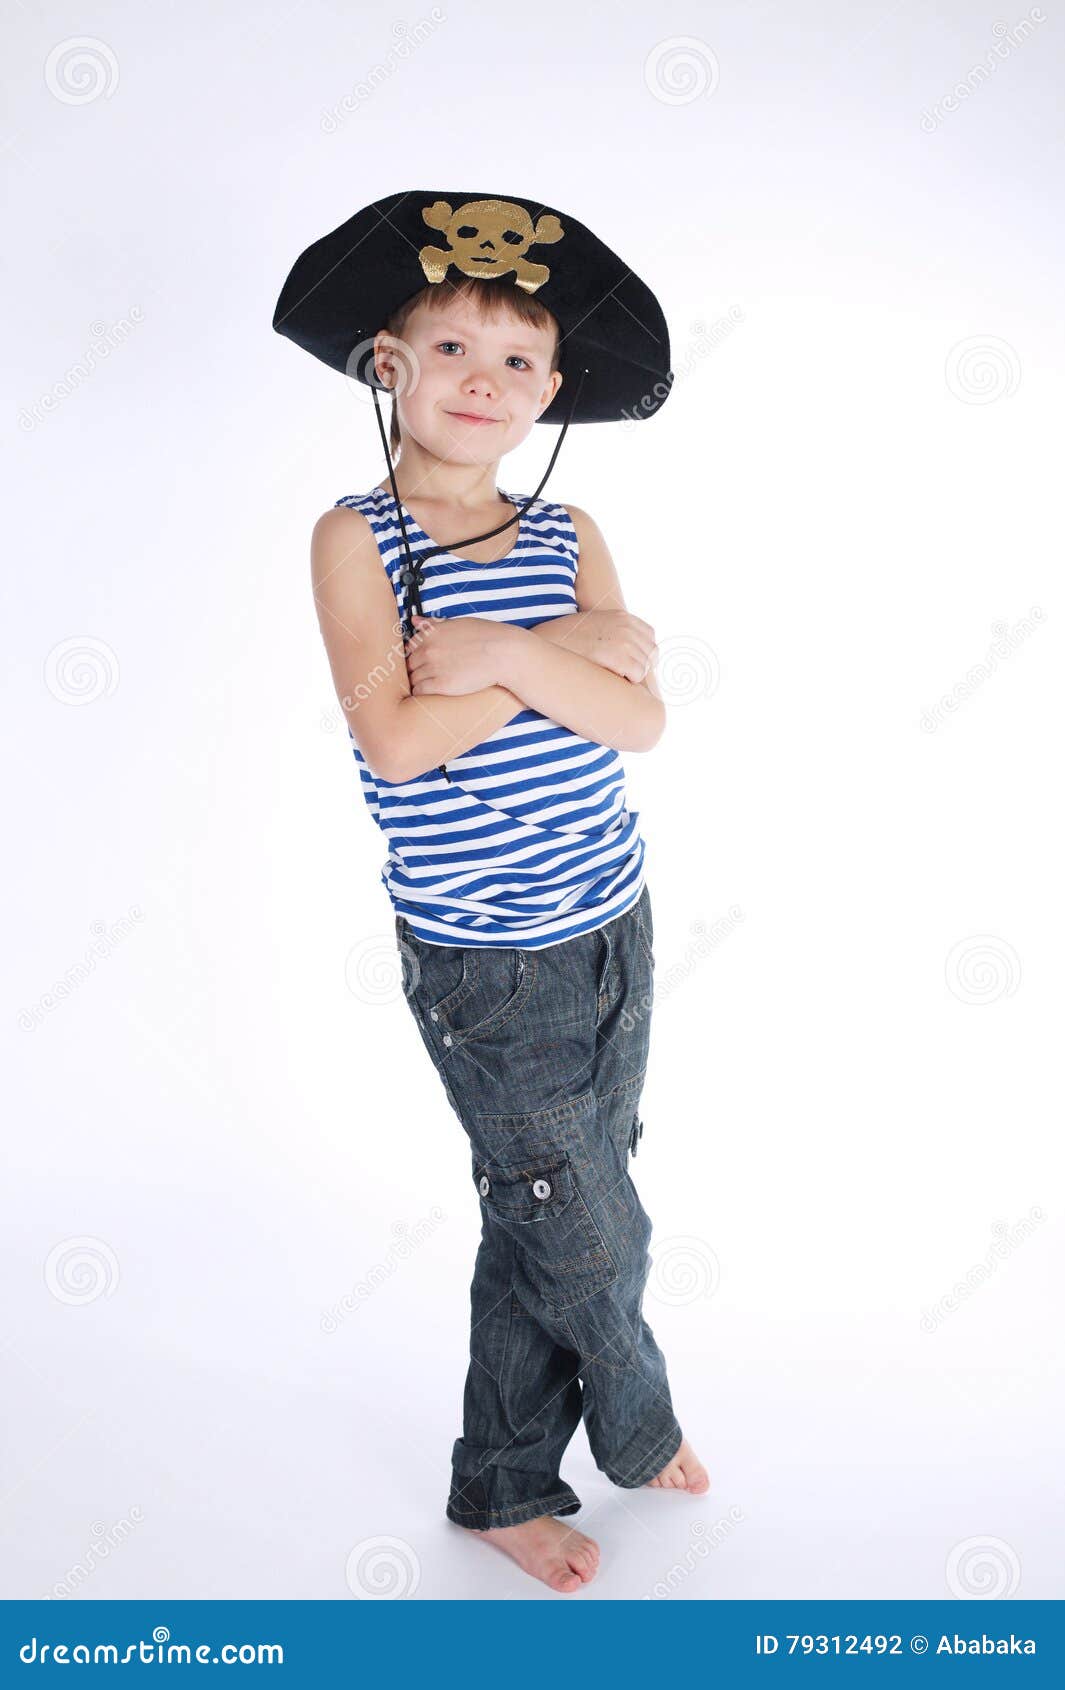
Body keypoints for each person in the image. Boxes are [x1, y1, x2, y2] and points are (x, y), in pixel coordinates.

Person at [275, 191, 709, 1595]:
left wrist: (505, 649)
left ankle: (504, 1480)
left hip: (611, 922)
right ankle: (633, 1431)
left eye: (517, 360)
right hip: (487, 959)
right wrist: (560, 655)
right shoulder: (358, 537)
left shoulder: (568, 525)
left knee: (545, 1207)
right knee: (587, 1223)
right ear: (385, 365)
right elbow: (395, 737)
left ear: (554, 388)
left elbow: (639, 723)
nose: (484, 380)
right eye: (450, 346)